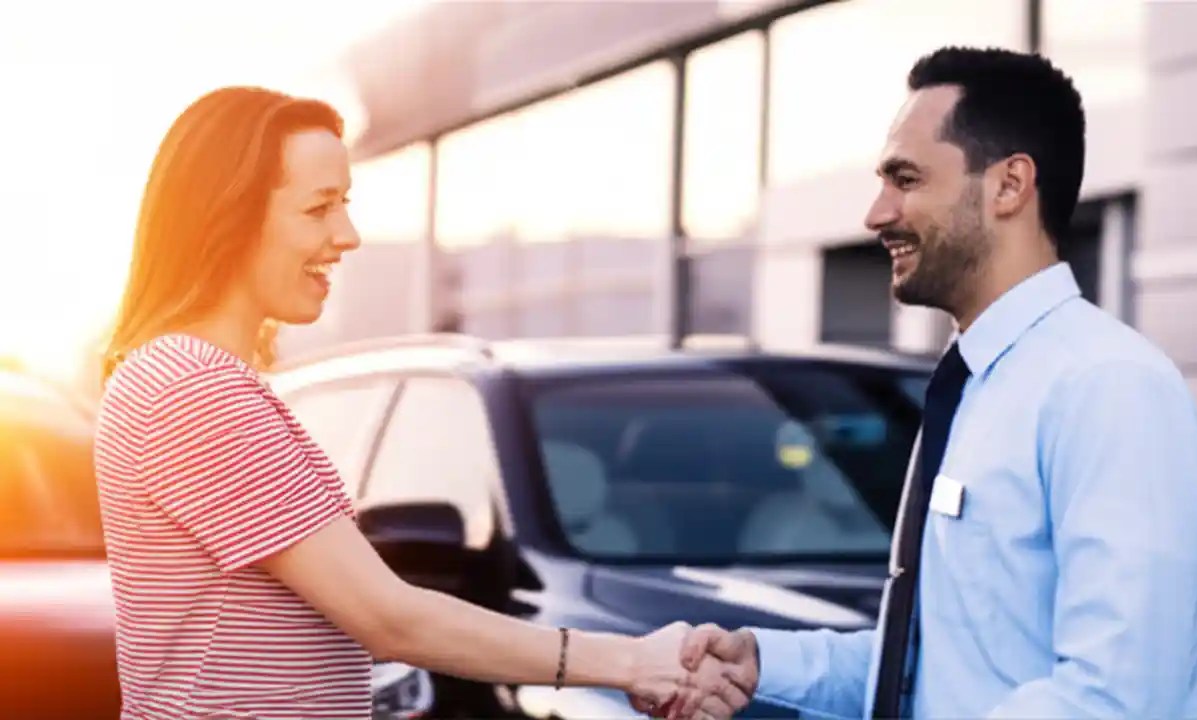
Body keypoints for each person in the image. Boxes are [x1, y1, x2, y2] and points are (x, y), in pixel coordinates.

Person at [92, 86, 749, 720]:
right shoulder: (190, 387)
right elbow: (389, 618)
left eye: (344, 204)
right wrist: (631, 662)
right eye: (319, 208)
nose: (347, 235)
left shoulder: (197, 379)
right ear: (229, 217)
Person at [665, 46, 1197, 720]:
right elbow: (935, 675)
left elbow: (1118, 699)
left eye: (906, 179)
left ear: (1009, 186)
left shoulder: (1110, 387)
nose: (876, 213)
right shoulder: (973, 388)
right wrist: (765, 663)